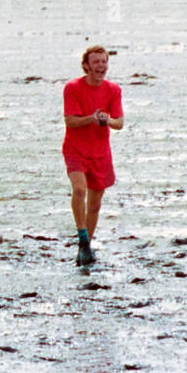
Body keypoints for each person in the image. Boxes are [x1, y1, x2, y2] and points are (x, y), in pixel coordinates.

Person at [62, 45, 124, 266]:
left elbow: (120, 123)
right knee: (79, 189)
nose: (101, 66)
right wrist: (91, 118)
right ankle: (82, 237)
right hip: (75, 149)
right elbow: (70, 120)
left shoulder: (113, 90)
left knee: (95, 204)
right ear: (86, 66)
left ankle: (85, 246)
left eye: (104, 62)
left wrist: (107, 120)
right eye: (96, 62)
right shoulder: (72, 88)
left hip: (100, 152)